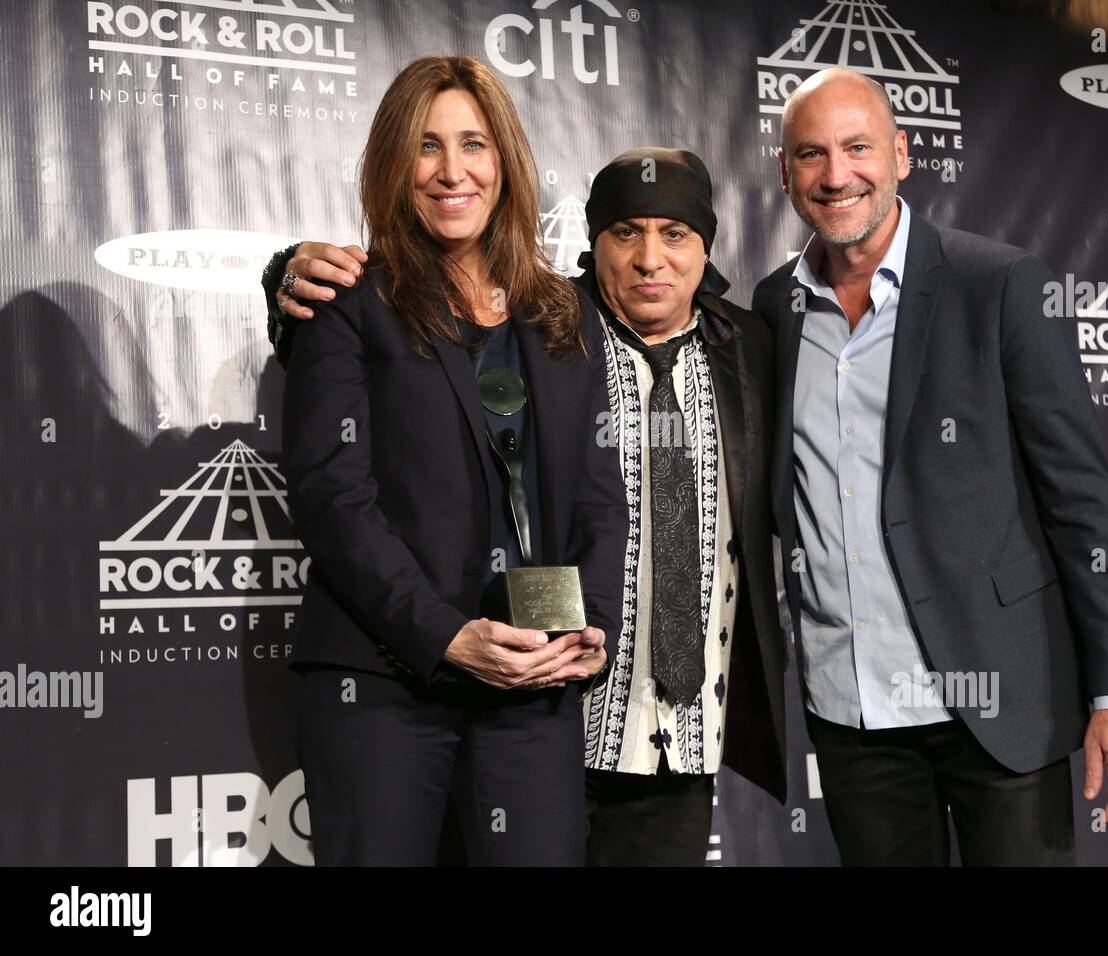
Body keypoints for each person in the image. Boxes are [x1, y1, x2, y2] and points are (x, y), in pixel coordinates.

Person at [266, 148, 788, 866]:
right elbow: (368, 387)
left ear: (708, 248)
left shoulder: (751, 345)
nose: (650, 259)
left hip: (666, 725)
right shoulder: (544, 321)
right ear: (591, 242)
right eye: (625, 233)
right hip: (533, 702)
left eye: (676, 235)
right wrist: (285, 274)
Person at [752, 68, 1108, 865]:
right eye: (811, 154)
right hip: (853, 715)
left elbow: (1082, 503)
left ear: (901, 154)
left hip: (999, 703)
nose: (837, 175)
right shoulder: (774, 310)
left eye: (858, 147)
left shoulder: (999, 284)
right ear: (786, 173)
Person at [278, 55, 628, 866]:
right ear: (392, 165)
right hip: (381, 684)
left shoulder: (562, 310)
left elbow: (598, 493)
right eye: (425, 146)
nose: (451, 170)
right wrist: (446, 637)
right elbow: (334, 501)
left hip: (533, 681)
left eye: (473, 143)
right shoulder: (348, 303)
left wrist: (591, 625)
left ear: (504, 159)